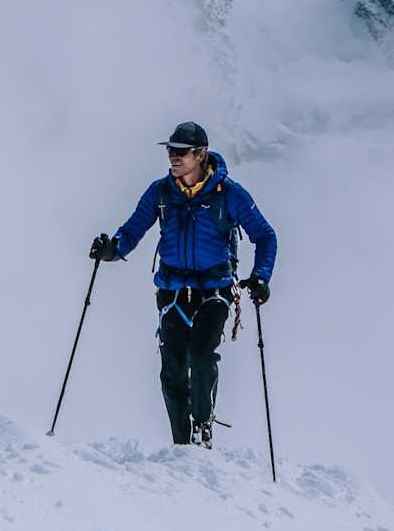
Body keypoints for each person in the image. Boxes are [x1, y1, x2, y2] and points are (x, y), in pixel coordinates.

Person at [89, 121, 277, 447]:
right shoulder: (160, 192)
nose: (173, 158)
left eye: (180, 152)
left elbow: (265, 235)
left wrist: (261, 277)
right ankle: (182, 444)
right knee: (172, 369)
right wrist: (112, 249)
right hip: (172, 290)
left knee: (201, 356)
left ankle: (203, 425)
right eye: (170, 151)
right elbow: (133, 230)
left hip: (215, 290)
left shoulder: (229, 193)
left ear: (201, 154)